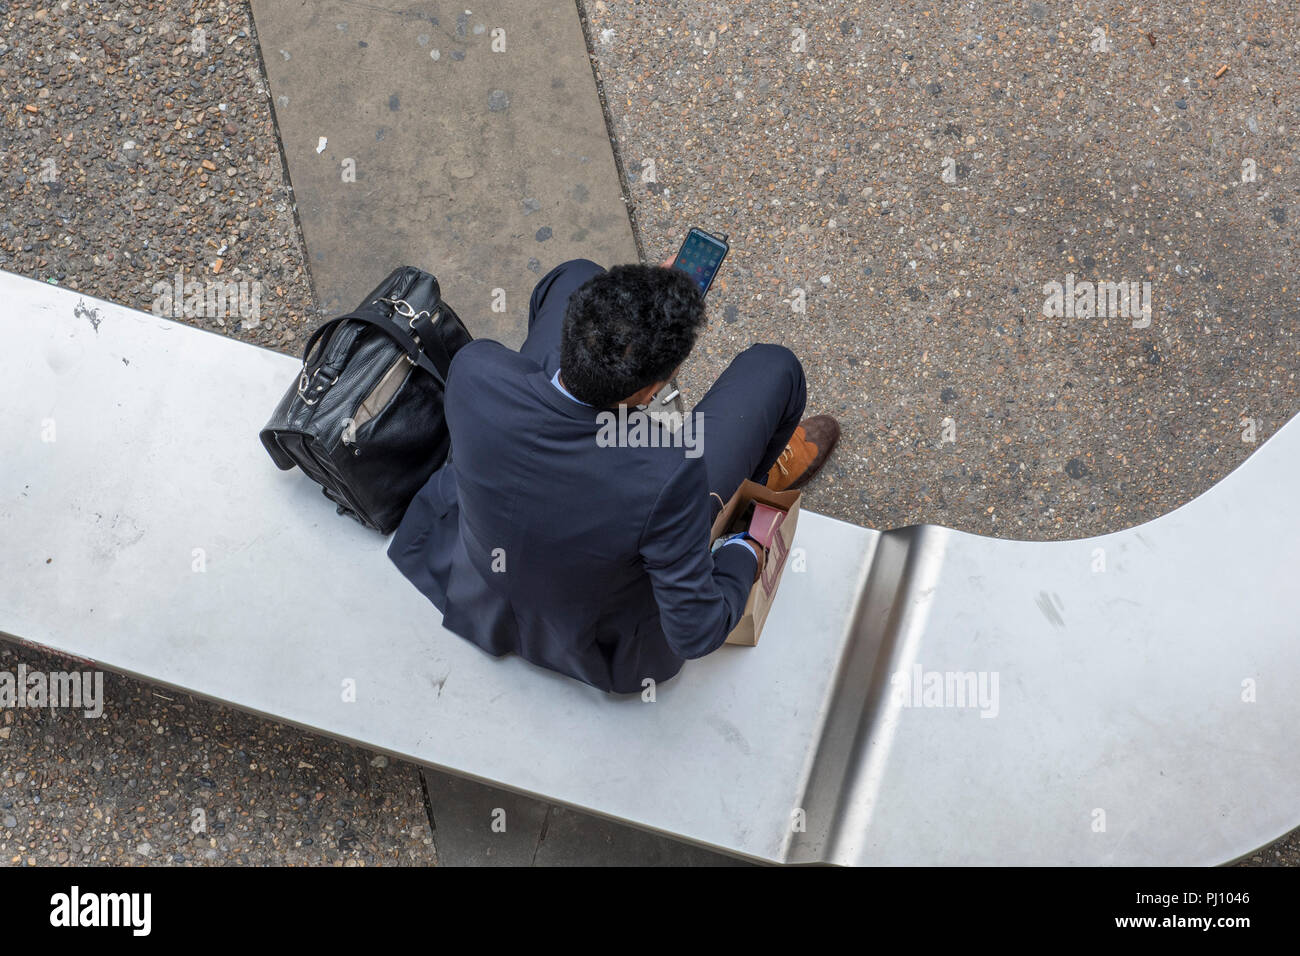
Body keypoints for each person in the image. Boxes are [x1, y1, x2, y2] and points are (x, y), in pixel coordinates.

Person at [387, 258, 840, 693]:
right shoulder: (669, 474)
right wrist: (745, 550)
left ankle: (570, 389)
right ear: (651, 391)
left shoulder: (474, 368)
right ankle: (739, 504)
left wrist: (630, 304)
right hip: (601, 644)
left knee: (578, 272)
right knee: (775, 367)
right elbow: (695, 632)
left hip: (470, 578)